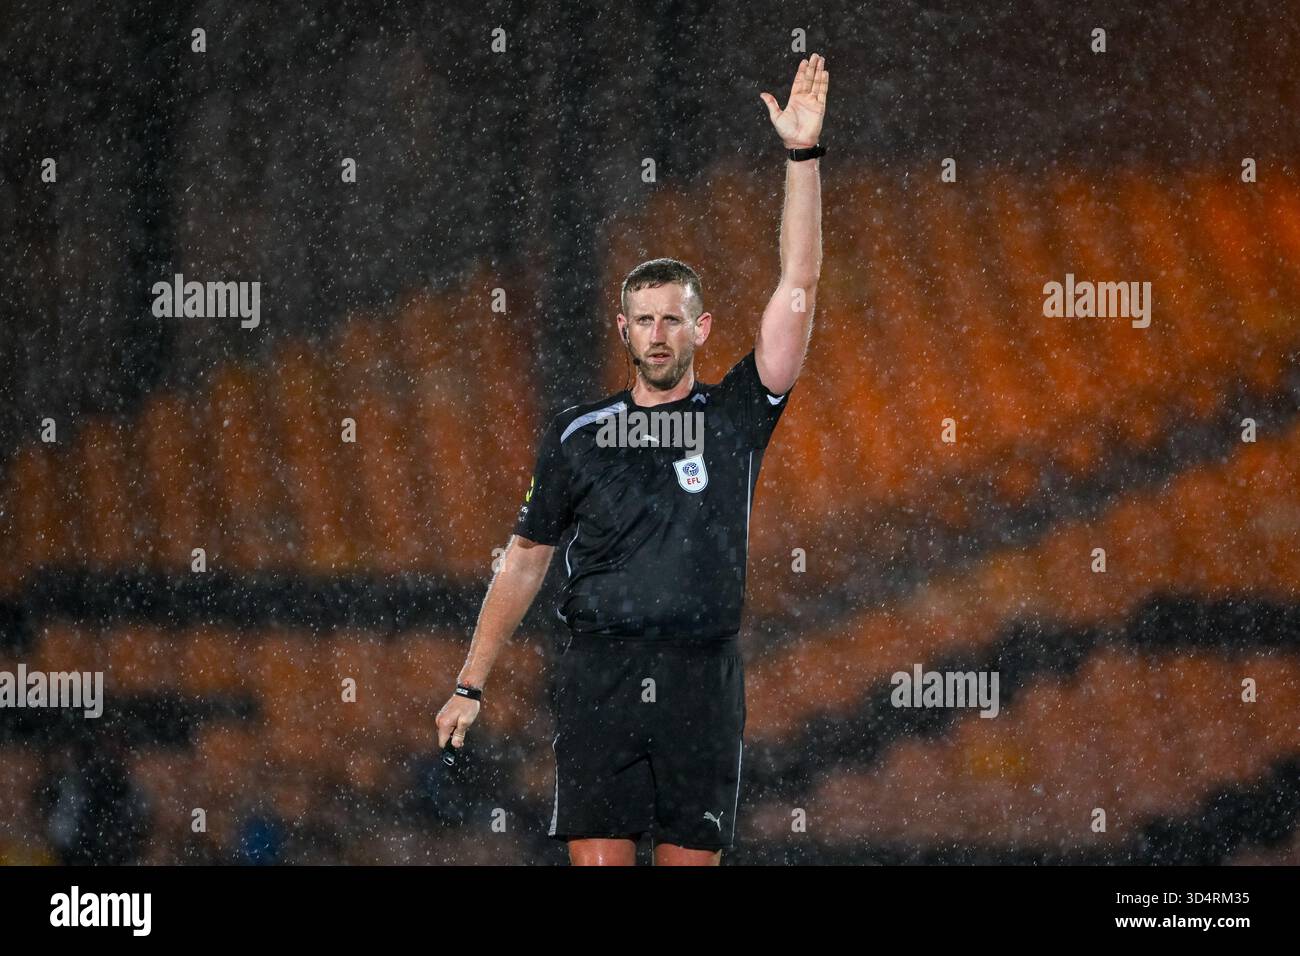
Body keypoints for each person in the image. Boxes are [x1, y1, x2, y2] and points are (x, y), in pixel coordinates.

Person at [437, 54, 828, 866]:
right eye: (642, 320)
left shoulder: (733, 416)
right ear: (623, 331)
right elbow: (523, 560)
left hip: (702, 680)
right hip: (601, 678)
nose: (657, 332)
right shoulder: (579, 433)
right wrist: (471, 682)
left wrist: (802, 158)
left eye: (672, 320)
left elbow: (799, 281)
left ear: (703, 328)